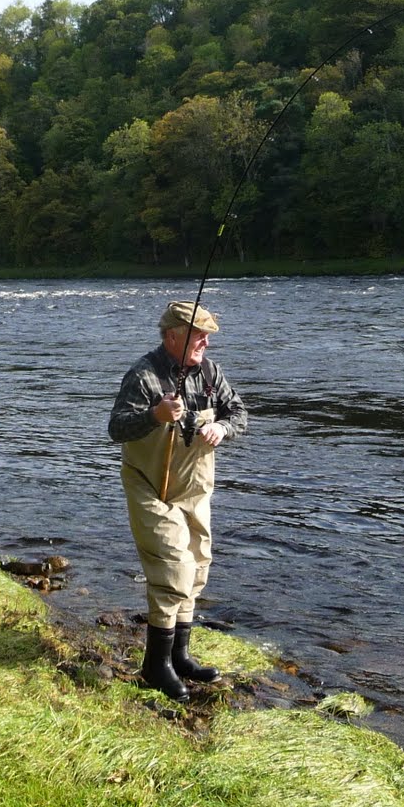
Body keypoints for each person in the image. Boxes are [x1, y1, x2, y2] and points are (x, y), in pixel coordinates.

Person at [108, 300, 248, 702]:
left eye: (207, 335)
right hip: (151, 488)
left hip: (195, 488)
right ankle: (155, 666)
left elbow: (239, 412)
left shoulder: (210, 372)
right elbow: (116, 428)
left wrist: (222, 427)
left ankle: (179, 656)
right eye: (198, 334)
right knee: (173, 568)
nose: (206, 341)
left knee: (198, 565)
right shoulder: (144, 374)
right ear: (172, 336)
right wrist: (155, 414)